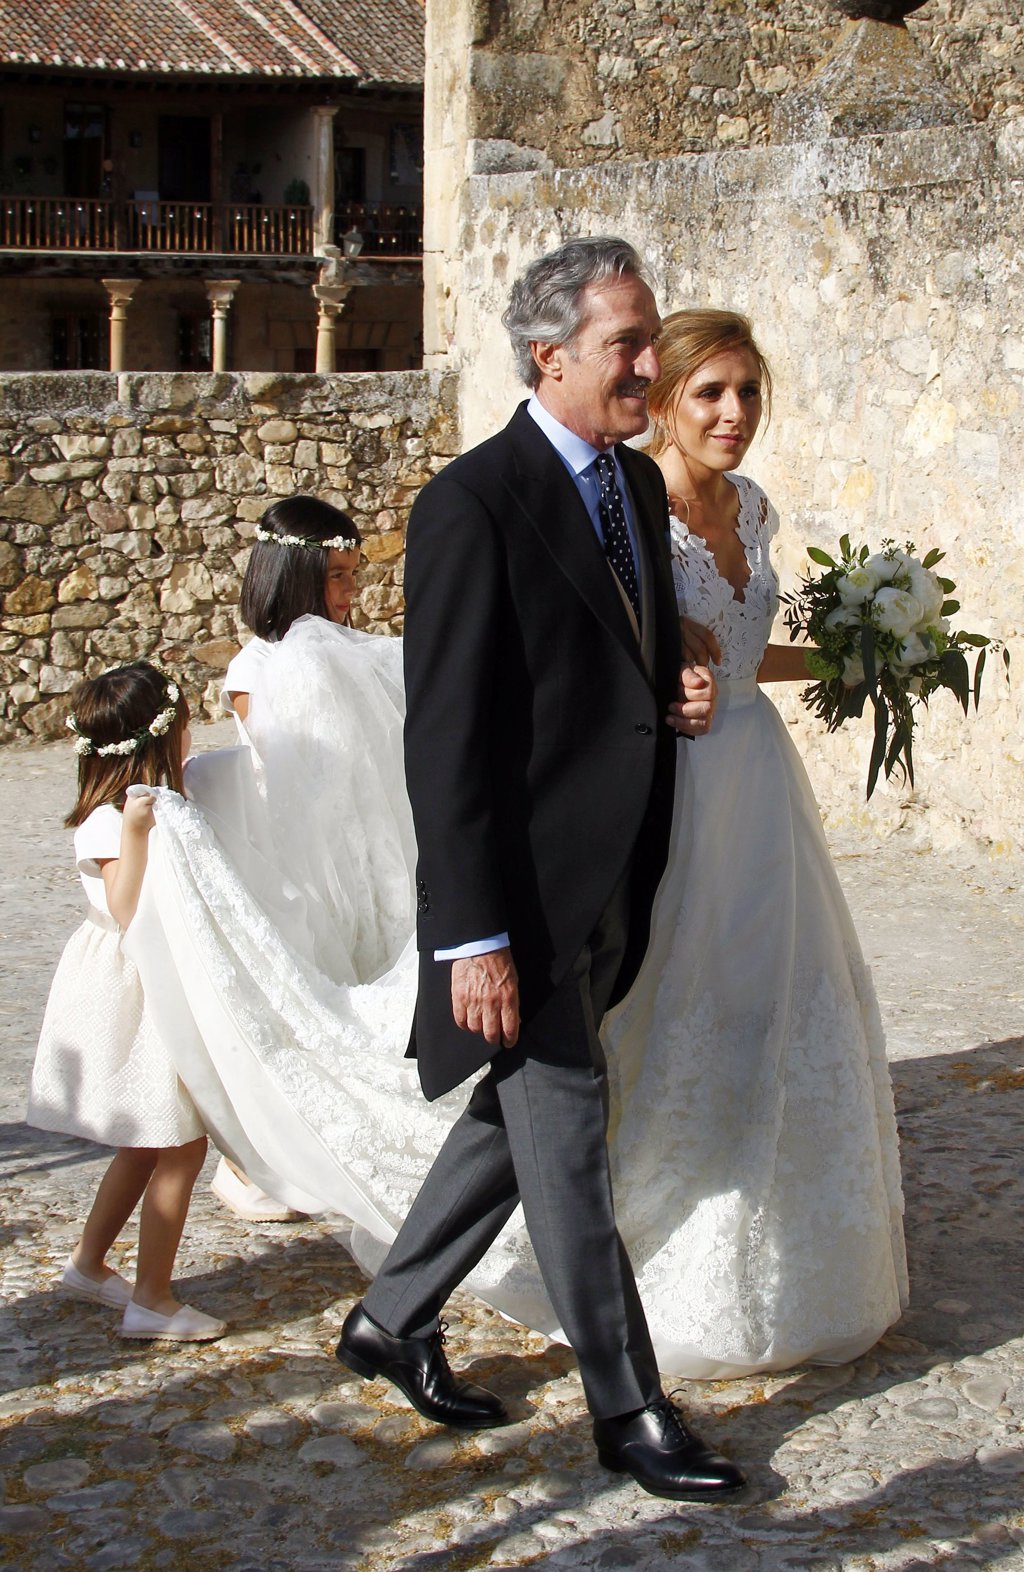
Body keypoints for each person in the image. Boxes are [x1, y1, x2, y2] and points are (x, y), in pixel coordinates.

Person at [333, 237, 746, 1503]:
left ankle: (391, 1320)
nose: (649, 362)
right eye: (627, 343)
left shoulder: (625, 483)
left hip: (615, 877)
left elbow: (604, 676)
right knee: (567, 1142)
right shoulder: (470, 503)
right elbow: (444, 738)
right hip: (518, 901)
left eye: (648, 335)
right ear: (548, 355)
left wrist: (673, 687)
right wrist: (471, 938)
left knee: (510, 1130)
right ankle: (628, 1411)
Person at [595, 307, 907, 1376]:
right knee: (675, 1003)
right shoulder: (629, 505)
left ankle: (787, 1241)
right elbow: (584, 654)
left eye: (749, 393)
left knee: (773, 1001)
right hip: (670, 785)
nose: (734, 415)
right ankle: (654, 1242)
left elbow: (739, 648)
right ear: (666, 402)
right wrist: (655, 677)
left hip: (758, 782)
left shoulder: (753, 507)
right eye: (710, 394)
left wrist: (848, 661)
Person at [27, 664, 225, 1343]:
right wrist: (140, 831)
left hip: (151, 976)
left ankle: (88, 1263)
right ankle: (152, 1299)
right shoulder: (109, 825)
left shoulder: (144, 802)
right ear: (158, 738)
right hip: (136, 989)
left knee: (147, 1143)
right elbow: (127, 907)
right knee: (178, 1143)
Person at [210, 496, 366, 1223]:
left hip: (347, 848)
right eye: (337, 577)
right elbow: (289, 765)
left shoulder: (345, 649)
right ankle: (246, 1165)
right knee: (293, 1008)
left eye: (353, 576)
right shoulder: (257, 668)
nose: (350, 594)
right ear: (296, 578)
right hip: (291, 857)